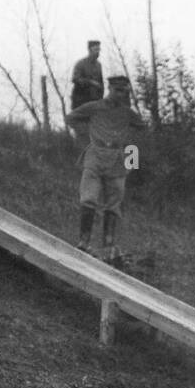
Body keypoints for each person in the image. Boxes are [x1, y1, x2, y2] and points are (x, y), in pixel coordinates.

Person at [64, 75, 145, 262]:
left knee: (113, 204)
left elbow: (141, 130)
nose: (120, 94)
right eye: (117, 90)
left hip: (117, 159)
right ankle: (84, 242)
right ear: (109, 89)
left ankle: (108, 248)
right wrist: (87, 136)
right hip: (95, 156)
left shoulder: (128, 113)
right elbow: (71, 118)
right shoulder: (95, 107)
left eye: (124, 91)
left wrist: (131, 157)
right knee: (89, 198)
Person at [70, 40, 104, 110]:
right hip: (81, 101)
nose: (98, 52)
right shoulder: (81, 64)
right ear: (90, 50)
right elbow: (75, 79)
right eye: (95, 49)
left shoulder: (98, 65)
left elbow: (101, 83)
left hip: (95, 101)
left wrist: (101, 99)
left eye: (99, 50)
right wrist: (90, 82)